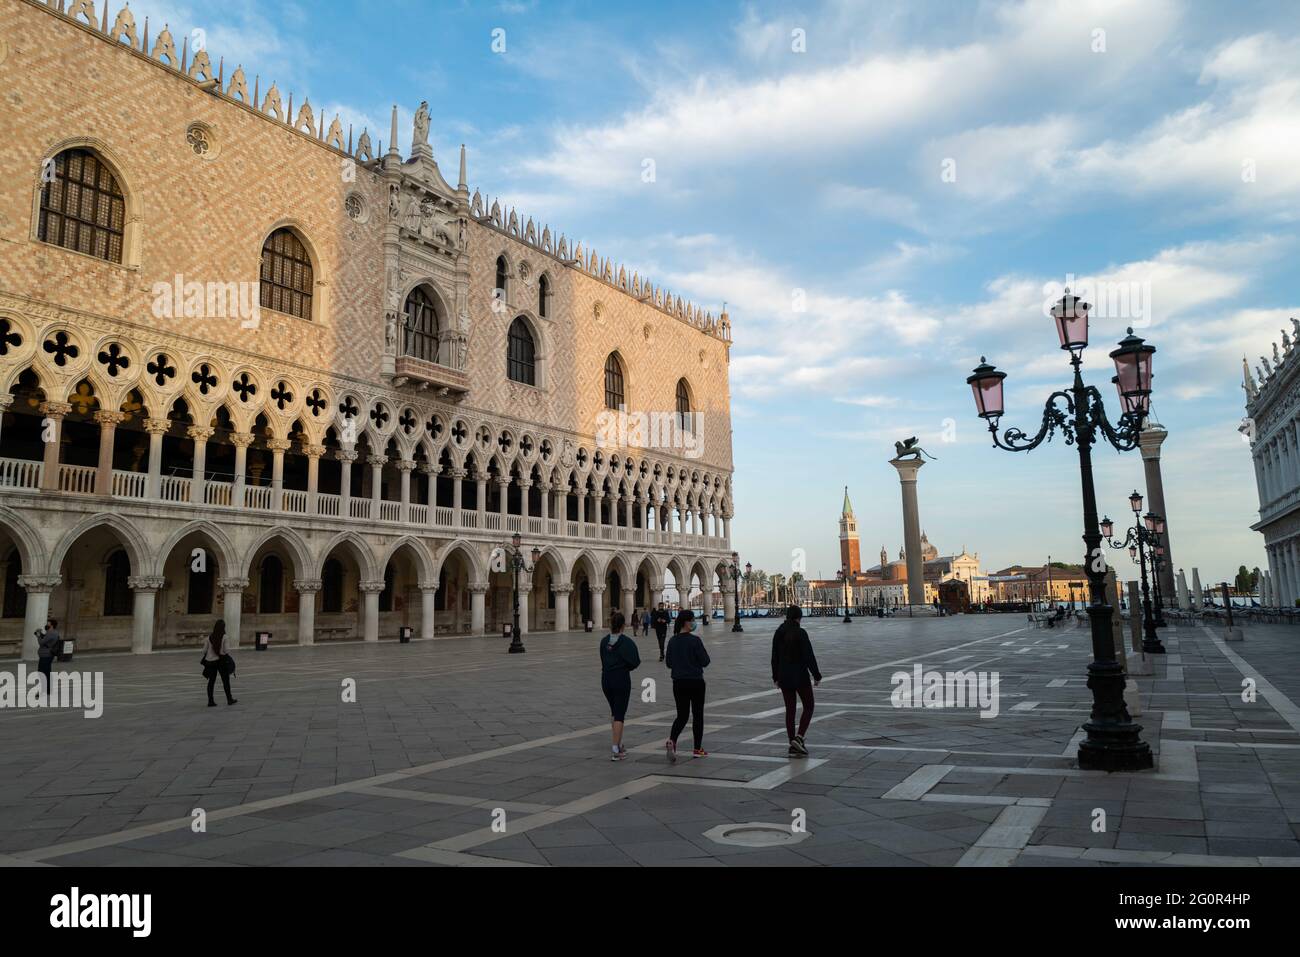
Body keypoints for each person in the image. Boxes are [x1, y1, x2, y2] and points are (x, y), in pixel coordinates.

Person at [771, 605, 822, 756]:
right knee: (809, 706)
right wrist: (816, 675)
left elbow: (774, 657)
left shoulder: (779, 633)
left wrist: (775, 676)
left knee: (790, 710)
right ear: (799, 617)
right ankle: (799, 738)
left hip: (784, 676)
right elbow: (808, 656)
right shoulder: (801, 633)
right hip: (800, 675)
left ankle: (791, 742)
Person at [664, 609, 710, 762]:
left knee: (682, 715)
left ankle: (672, 740)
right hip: (695, 682)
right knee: (698, 715)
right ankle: (697, 748)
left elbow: (669, 663)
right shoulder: (695, 641)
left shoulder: (672, 641)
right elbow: (705, 661)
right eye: (692, 620)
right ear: (686, 622)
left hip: (678, 683)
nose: (694, 623)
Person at [599, 611, 640, 760]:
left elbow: (603, 659)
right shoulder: (626, 642)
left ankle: (618, 743)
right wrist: (625, 667)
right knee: (620, 714)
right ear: (623, 625)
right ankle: (616, 749)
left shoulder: (604, 641)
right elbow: (635, 661)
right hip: (621, 679)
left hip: (606, 679)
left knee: (614, 712)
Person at [201, 619, 237, 707]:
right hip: (221, 661)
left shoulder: (209, 637)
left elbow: (204, 650)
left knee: (211, 682)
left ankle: (210, 701)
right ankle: (229, 699)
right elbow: (226, 650)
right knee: (225, 681)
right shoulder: (225, 637)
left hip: (211, 662)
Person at [36, 619, 61, 696]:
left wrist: (38, 635)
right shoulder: (54, 633)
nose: (46, 625)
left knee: (42, 673)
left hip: (46, 655)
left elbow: (41, 642)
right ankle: (48, 690)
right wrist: (42, 635)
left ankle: (44, 690)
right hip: (48, 655)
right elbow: (47, 640)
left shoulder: (51, 633)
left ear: (52, 625)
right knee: (47, 673)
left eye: (48, 624)